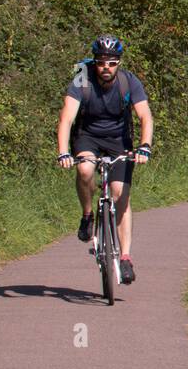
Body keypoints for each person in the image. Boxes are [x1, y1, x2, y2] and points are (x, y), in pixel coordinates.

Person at [56, 35, 153, 284]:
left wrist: (144, 146)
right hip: (87, 137)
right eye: (101, 62)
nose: (106, 68)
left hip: (118, 140)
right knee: (86, 170)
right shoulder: (82, 79)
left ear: (118, 62)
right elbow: (66, 118)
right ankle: (88, 215)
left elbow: (145, 117)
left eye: (111, 62)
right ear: (95, 62)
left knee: (120, 193)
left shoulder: (128, 81)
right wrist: (63, 151)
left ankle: (125, 257)